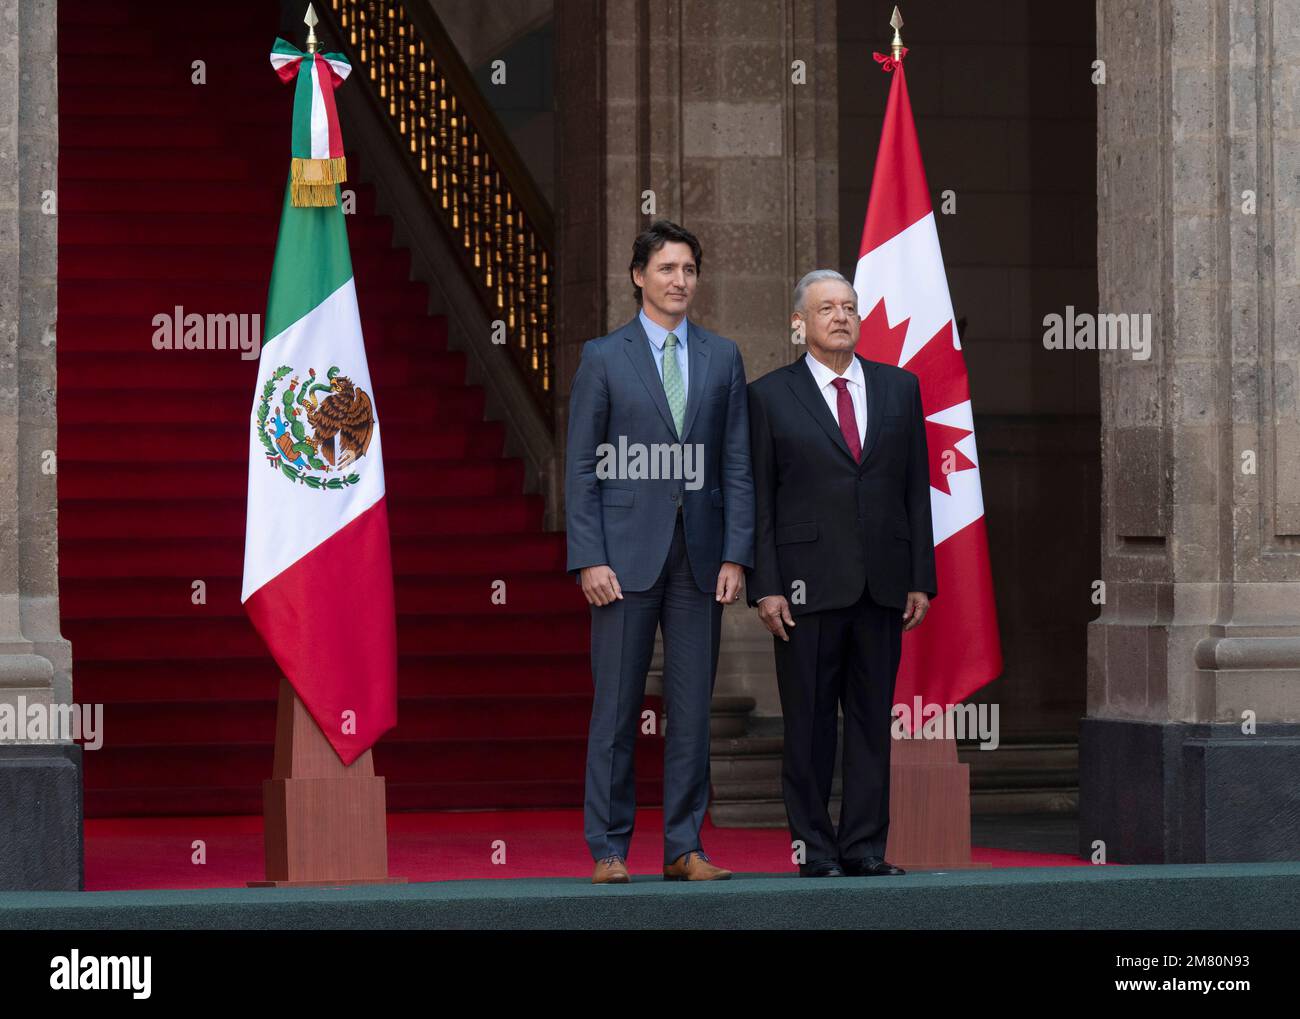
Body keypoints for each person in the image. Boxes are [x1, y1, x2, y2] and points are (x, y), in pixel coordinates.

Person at [565, 220, 755, 883]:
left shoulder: (722, 356)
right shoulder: (603, 356)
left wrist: (737, 554)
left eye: (689, 269)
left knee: (691, 709)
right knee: (616, 705)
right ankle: (609, 847)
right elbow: (582, 467)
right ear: (638, 276)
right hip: (622, 558)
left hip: (700, 558)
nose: (680, 280)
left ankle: (683, 846)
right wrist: (588, 555)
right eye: (667, 268)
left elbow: (737, 464)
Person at [746, 269, 936, 878]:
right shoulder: (769, 395)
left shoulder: (899, 389)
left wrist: (919, 577)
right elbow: (759, 501)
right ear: (800, 323)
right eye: (826, 308)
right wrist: (766, 585)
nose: (841, 316)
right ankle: (816, 849)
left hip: (881, 584)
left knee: (870, 724)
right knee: (807, 725)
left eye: (849, 307)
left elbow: (916, 491)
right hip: (804, 588)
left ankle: (863, 848)